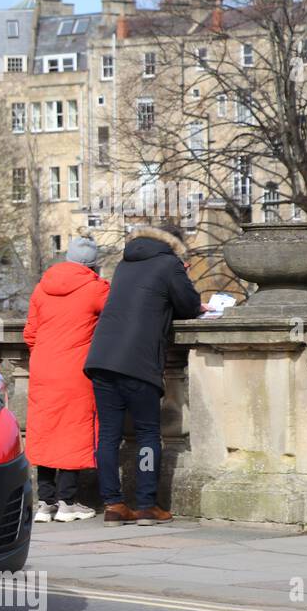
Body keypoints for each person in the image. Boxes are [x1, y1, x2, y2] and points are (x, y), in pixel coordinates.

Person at [84, 225, 208, 526]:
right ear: (175, 248)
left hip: (101, 358)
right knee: (148, 435)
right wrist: (185, 279)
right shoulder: (169, 264)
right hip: (137, 362)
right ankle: (146, 505)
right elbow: (189, 305)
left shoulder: (125, 265)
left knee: (109, 436)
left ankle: (113, 505)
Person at [23, 235, 109, 524]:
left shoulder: (41, 287)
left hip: (43, 367)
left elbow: (30, 334)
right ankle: (67, 502)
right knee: (73, 431)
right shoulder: (96, 289)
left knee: (45, 431)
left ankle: (45, 502)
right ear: (93, 264)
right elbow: (116, 318)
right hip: (76, 369)